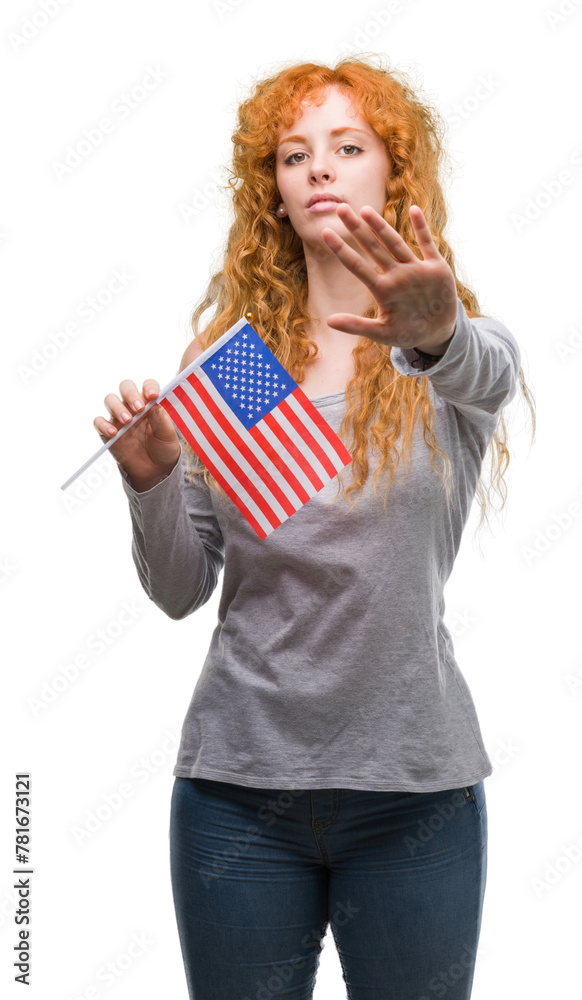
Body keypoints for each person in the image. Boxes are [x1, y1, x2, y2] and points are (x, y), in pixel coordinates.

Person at [93, 55, 535, 1000]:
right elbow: (181, 589)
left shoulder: (441, 350)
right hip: (237, 798)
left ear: (393, 172)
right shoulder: (244, 367)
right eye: (295, 156)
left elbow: (488, 370)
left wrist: (437, 331)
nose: (321, 169)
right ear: (277, 193)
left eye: (348, 146)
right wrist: (151, 482)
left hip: (414, 797)